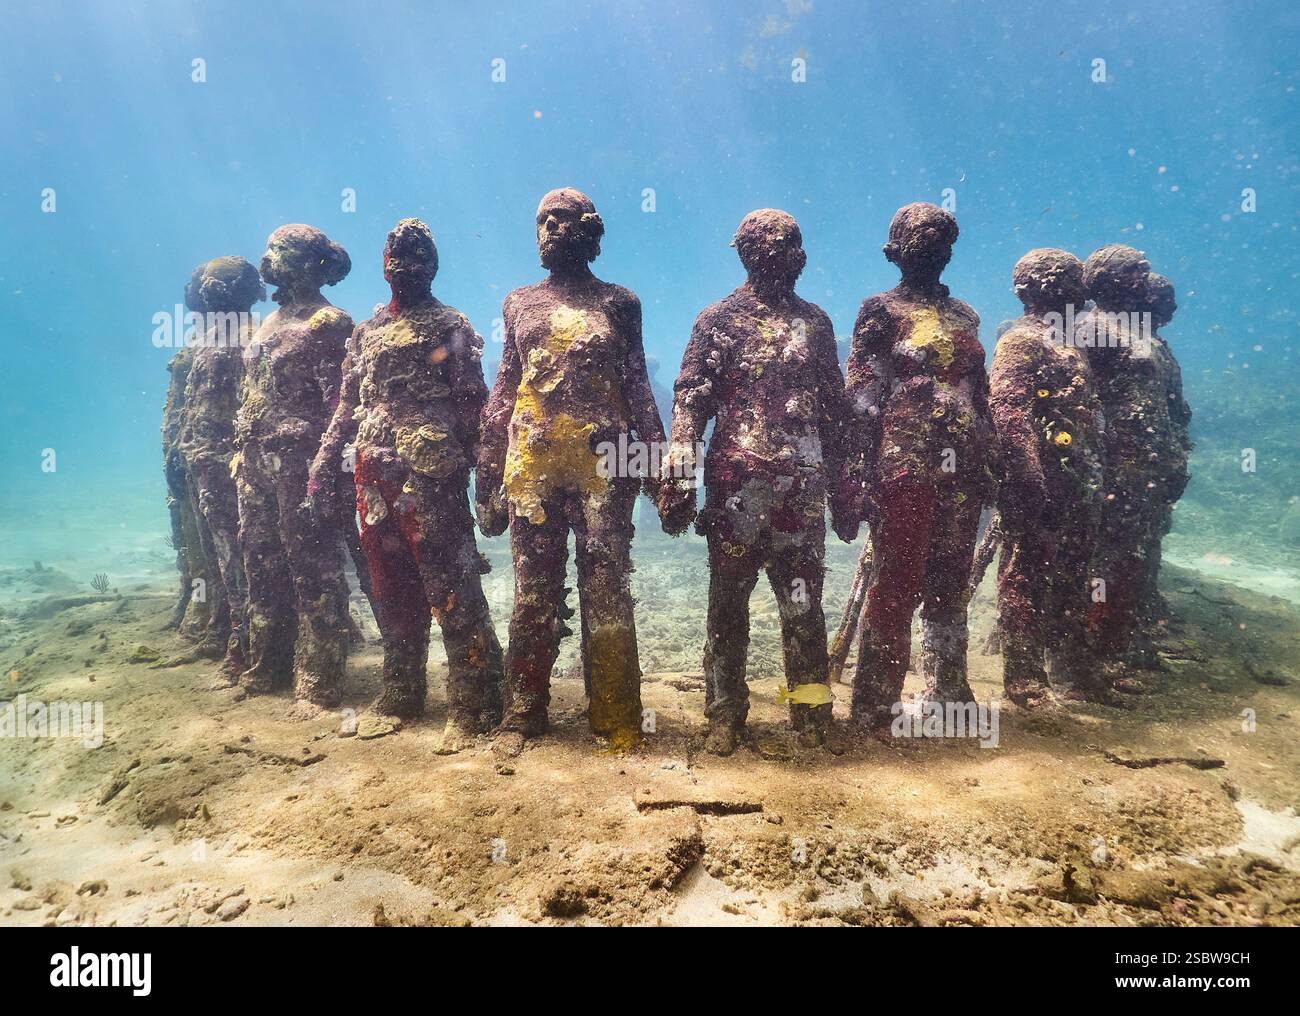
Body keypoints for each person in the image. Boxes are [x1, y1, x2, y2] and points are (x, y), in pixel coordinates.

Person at [477, 188, 665, 751]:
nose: (552, 230)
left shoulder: (619, 304)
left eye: (563, 220)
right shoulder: (519, 303)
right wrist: (488, 472)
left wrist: (661, 471)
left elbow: (637, 389)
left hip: (606, 467)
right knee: (533, 588)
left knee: (608, 586)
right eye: (543, 221)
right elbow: (504, 391)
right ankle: (524, 710)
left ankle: (615, 710)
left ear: (591, 229)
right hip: (532, 465)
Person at [658, 209, 848, 754]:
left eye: (796, 242)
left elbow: (833, 411)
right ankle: (725, 714)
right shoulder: (718, 321)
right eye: (779, 243)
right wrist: (678, 478)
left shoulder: (815, 324)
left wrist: (846, 487)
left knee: (804, 605)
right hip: (736, 488)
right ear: (748, 253)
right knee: (728, 602)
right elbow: (690, 402)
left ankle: (811, 714)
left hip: (802, 492)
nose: (793, 253)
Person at [310, 218, 505, 750]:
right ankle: (402, 686)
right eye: (397, 250)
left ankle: (475, 697)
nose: (407, 259)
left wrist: (488, 474)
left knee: (449, 580)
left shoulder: (450, 324)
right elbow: (348, 406)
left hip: (433, 476)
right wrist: (324, 463)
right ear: (383, 261)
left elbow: (475, 406)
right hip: (373, 476)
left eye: (418, 251)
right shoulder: (366, 333)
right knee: (388, 580)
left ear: (434, 265)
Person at [835, 203, 998, 729]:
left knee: (950, 580)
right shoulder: (880, 311)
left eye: (942, 237)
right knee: (897, 579)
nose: (933, 245)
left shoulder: (966, 317)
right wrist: (854, 474)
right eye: (920, 235)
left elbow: (982, 392)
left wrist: (991, 456)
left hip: (963, 467)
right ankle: (875, 701)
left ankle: (948, 692)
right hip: (905, 463)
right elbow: (861, 396)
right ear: (894, 250)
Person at [235, 224, 354, 712]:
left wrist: (326, 471)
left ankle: (320, 678)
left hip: (300, 462)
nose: (269, 258)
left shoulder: (328, 323)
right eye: (268, 247)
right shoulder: (266, 323)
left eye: (282, 249)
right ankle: (269, 666)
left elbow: (340, 406)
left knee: (313, 566)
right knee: (260, 560)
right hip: (256, 460)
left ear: (313, 263)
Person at [988, 249, 1106, 704]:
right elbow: (1008, 409)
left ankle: (1071, 671)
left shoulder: (1069, 343)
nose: (1084, 290)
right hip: (1041, 480)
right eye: (1075, 281)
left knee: (1074, 573)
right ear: (1045, 287)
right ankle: (1024, 674)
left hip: (1077, 478)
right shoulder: (1022, 341)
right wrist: (1027, 475)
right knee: (1025, 572)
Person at [178, 256, 264, 678]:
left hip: (231, 466)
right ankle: (229, 632)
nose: (205, 290)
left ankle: (245, 645)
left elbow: (253, 405)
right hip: (205, 463)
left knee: (240, 556)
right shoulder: (215, 338)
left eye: (215, 284)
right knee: (218, 554)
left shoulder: (250, 338)